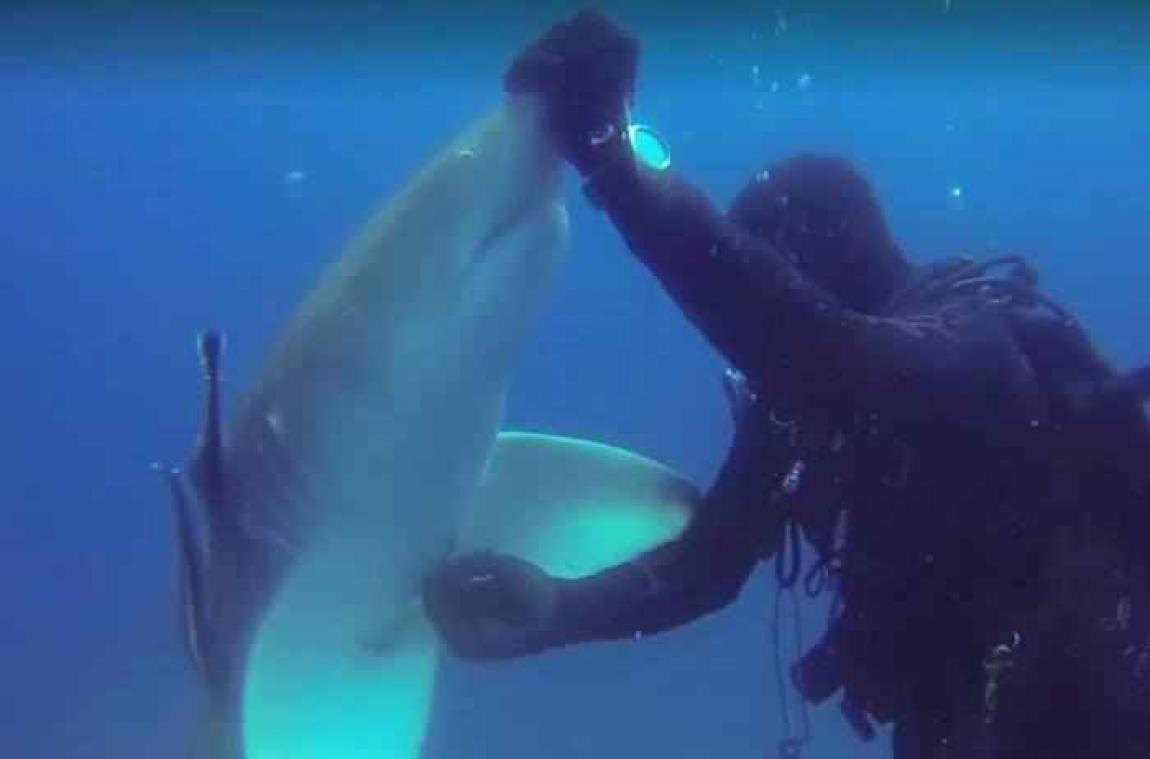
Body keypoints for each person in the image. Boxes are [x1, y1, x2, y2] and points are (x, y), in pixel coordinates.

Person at [421, 10, 1150, 758]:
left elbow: (820, 350)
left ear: (806, 284)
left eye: (761, 351)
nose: (752, 382)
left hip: (1096, 692)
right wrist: (560, 608)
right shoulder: (806, 413)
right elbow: (704, 566)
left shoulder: (970, 354)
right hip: (958, 716)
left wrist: (617, 166)